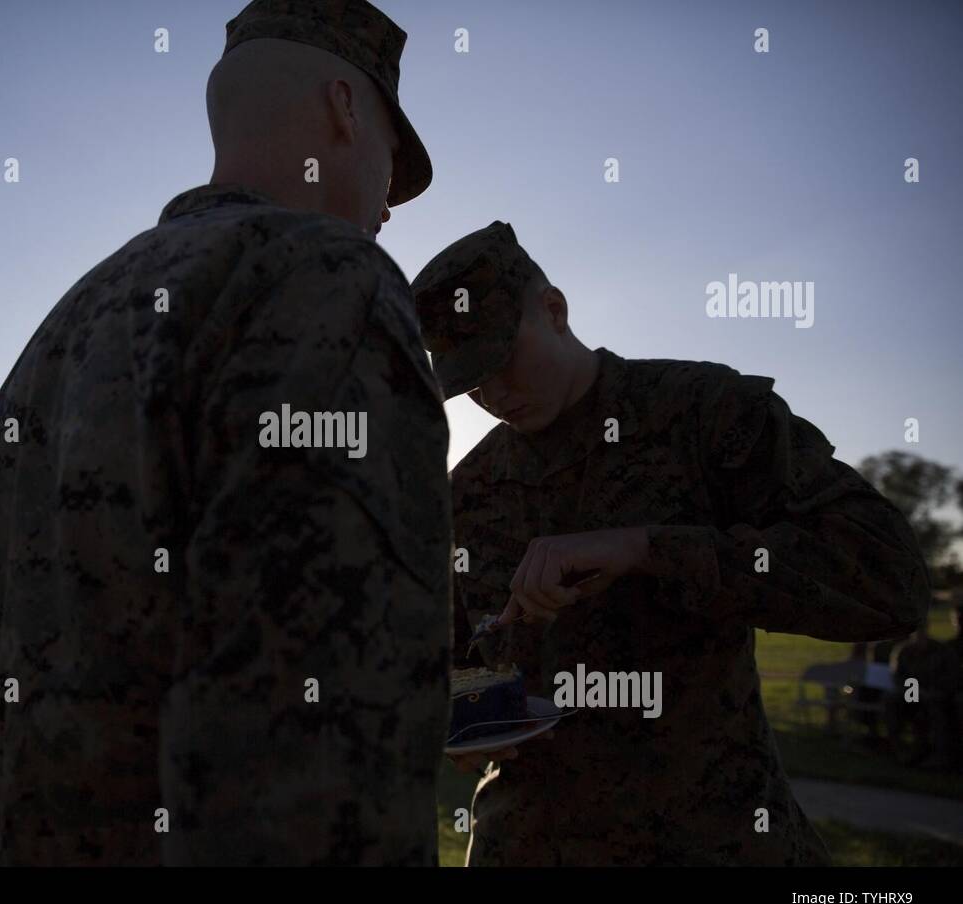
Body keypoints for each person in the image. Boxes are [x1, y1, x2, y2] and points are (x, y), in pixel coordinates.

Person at [0, 0, 452, 866]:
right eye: (390, 158)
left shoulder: (67, 322)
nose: (389, 205)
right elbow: (323, 728)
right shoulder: (327, 276)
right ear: (345, 108)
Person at [412, 221, 931, 865]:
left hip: (712, 840)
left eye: (500, 360)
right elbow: (467, 655)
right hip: (528, 843)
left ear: (554, 310)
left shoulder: (704, 415)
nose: (493, 395)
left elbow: (889, 582)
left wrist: (648, 549)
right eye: (470, 381)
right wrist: (466, 717)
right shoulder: (469, 489)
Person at [885, 629, 961, 769]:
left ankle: (939, 753)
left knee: (935, 710)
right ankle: (899, 748)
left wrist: (932, 691)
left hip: (936, 695)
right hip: (912, 693)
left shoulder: (943, 652)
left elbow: (950, 677)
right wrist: (915, 691)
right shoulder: (904, 651)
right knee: (893, 702)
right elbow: (898, 677)